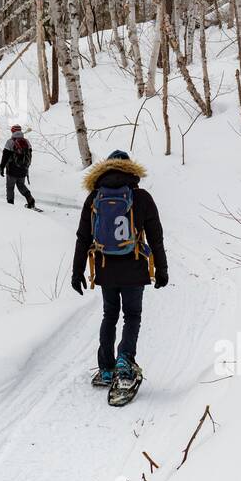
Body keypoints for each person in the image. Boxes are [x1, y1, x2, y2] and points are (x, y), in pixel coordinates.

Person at [70, 150, 168, 387]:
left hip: (105, 268)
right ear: (130, 169)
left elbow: (83, 237)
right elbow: (156, 237)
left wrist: (77, 272)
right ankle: (125, 359)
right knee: (132, 315)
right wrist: (162, 269)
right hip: (135, 267)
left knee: (109, 315)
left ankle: (105, 369)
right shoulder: (142, 197)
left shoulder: (94, 197)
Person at [0, 125, 35, 208]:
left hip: (12, 170)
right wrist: (26, 167)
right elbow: (29, 156)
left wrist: (1, 167)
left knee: (10, 188)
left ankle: (10, 206)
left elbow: (5, 156)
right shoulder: (27, 142)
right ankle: (30, 200)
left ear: (12, 132)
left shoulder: (10, 142)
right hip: (23, 169)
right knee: (21, 185)